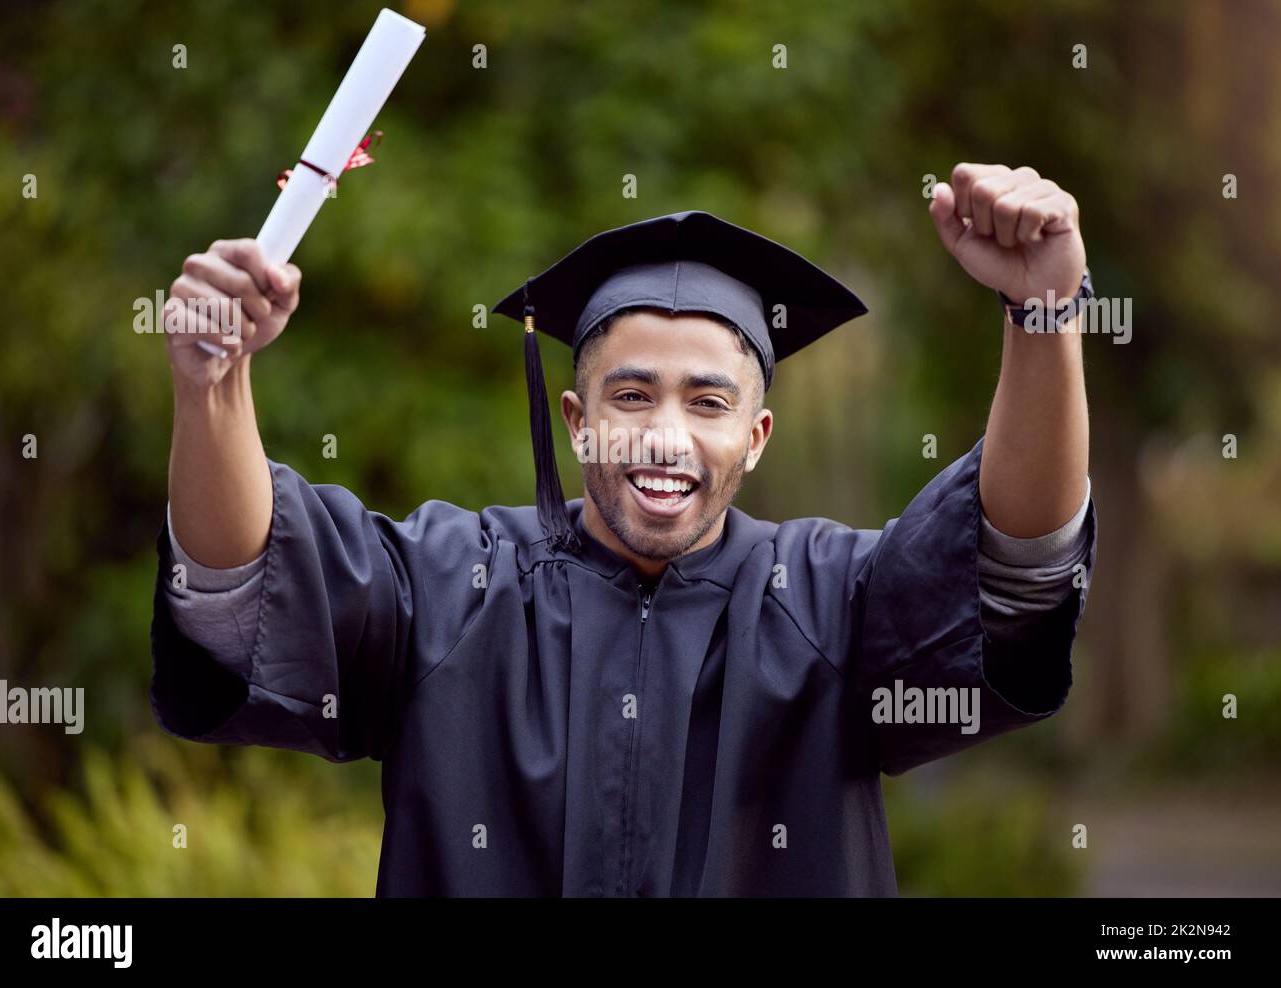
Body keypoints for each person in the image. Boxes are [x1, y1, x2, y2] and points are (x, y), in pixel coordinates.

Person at [152, 163, 1097, 896]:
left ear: (756, 436)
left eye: (709, 401)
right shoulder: (451, 586)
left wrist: (1045, 311)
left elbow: (1012, 556)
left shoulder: (827, 601)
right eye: (632, 394)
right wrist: (212, 386)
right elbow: (244, 577)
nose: (666, 435)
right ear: (575, 418)